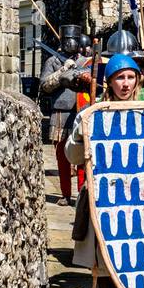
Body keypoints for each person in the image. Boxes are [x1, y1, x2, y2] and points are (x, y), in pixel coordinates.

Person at [64, 53, 144, 288]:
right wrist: (80, 132)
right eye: (119, 78)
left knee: (137, 259)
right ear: (110, 82)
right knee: (108, 265)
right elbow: (73, 157)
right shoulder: (93, 114)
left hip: (141, 202)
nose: (125, 83)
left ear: (137, 79)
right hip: (105, 200)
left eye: (129, 77)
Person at [38, 25, 92, 206]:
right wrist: (62, 71)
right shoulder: (53, 61)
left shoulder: (86, 61)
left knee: (83, 157)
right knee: (62, 156)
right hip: (60, 112)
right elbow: (45, 86)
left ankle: (82, 194)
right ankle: (65, 194)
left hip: (81, 111)